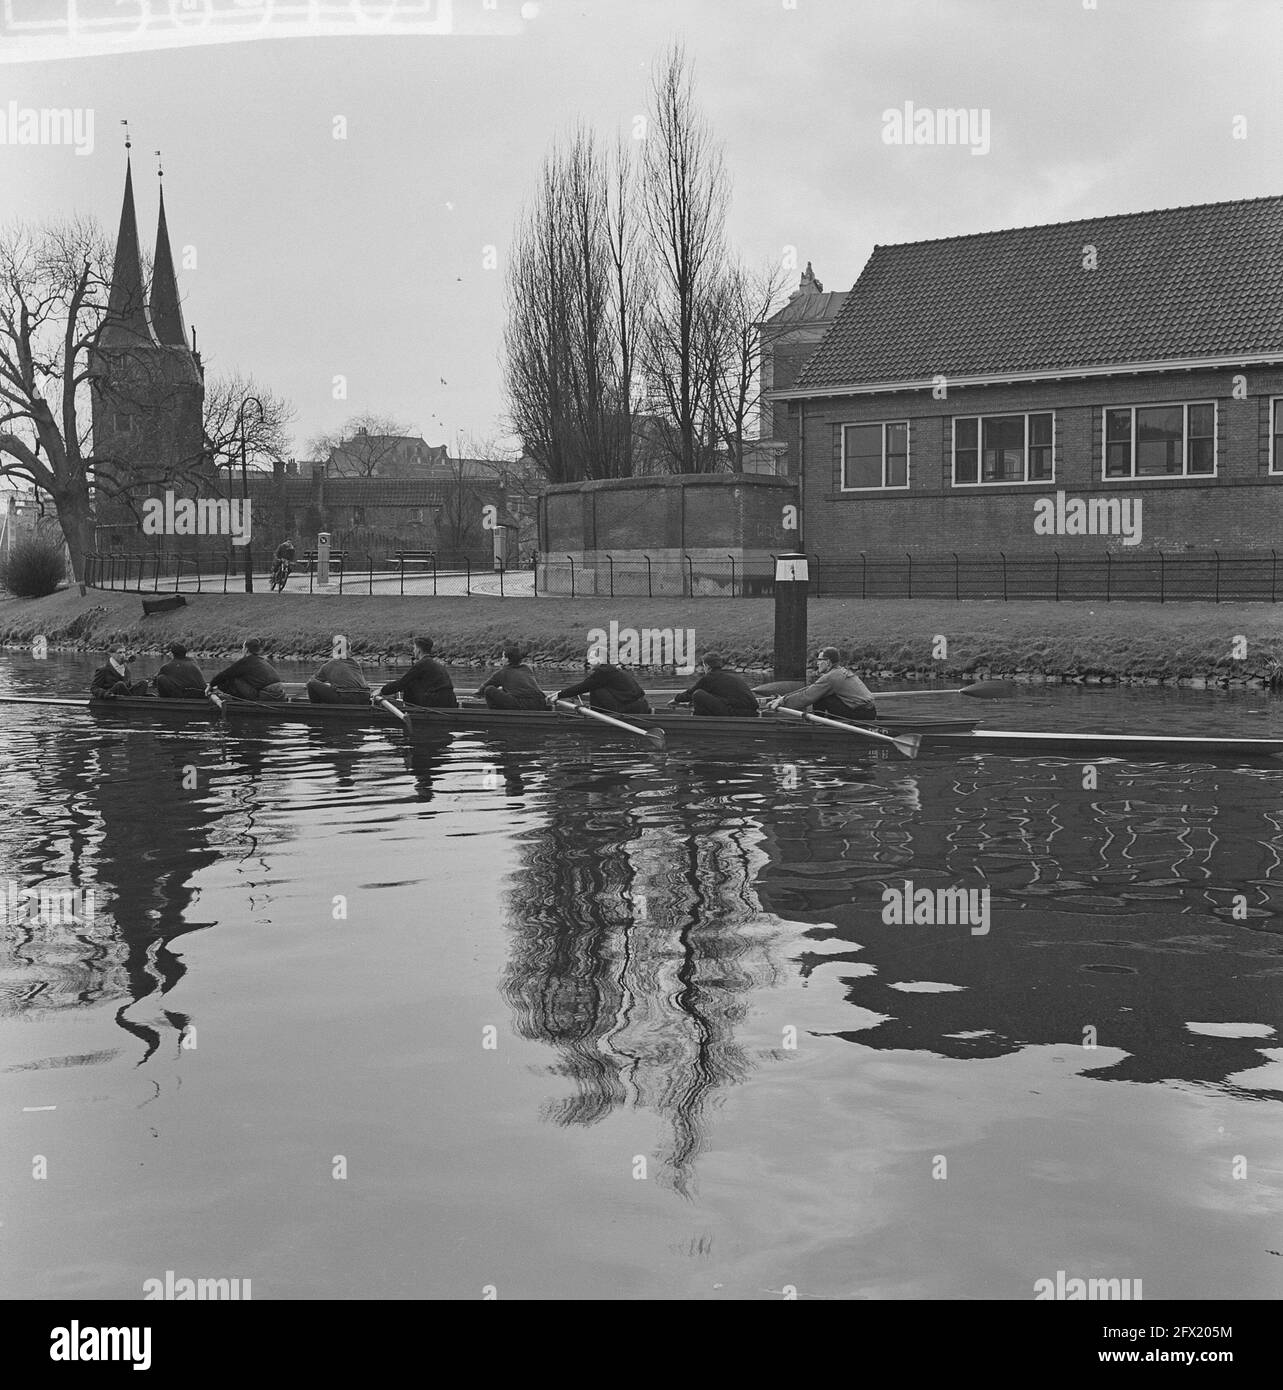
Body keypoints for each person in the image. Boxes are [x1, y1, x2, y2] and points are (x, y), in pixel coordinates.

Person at [766, 646, 876, 720]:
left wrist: (782, 702)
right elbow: (812, 689)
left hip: (861, 714)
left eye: (819, 660)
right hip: (870, 711)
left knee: (819, 697)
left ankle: (817, 724)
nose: (817, 663)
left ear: (827, 662)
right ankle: (820, 720)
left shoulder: (831, 677)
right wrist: (784, 698)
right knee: (819, 693)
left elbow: (807, 696)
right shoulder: (840, 671)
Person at [670, 652, 760, 718]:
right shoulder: (732, 676)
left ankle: (697, 721)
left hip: (737, 713)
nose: (704, 669)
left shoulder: (710, 677)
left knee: (698, 694)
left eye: (704, 666)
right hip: (751, 712)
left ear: (708, 666)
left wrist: (676, 699)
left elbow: (690, 693)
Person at [378, 636, 457, 708]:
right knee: (412, 682)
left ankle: (410, 710)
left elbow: (402, 683)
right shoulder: (436, 664)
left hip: (437, 703)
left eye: (414, 648)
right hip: (450, 701)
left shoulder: (421, 664)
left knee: (409, 685)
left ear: (418, 650)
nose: (413, 650)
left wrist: (382, 691)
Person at [555, 656, 651, 715]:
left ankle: (594, 716)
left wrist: (559, 695)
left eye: (592, 658)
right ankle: (596, 713)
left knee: (594, 688)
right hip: (642, 706)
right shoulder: (611, 670)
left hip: (631, 710)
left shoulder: (603, 672)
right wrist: (567, 693)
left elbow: (583, 686)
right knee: (595, 686)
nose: (588, 661)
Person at [209, 638, 287, 701]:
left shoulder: (246, 661)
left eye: (243, 648)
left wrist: (210, 685)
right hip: (281, 695)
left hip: (267, 696)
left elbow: (225, 674)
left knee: (229, 680)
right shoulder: (261, 660)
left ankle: (236, 702)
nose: (242, 650)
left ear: (246, 650)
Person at [476, 645, 548, 710]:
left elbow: (483, 689)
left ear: (507, 660)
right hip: (541, 703)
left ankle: (496, 716)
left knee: (489, 690)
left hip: (523, 704)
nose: (501, 659)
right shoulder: (527, 668)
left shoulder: (502, 672)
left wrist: (476, 695)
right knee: (503, 690)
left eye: (503, 656)